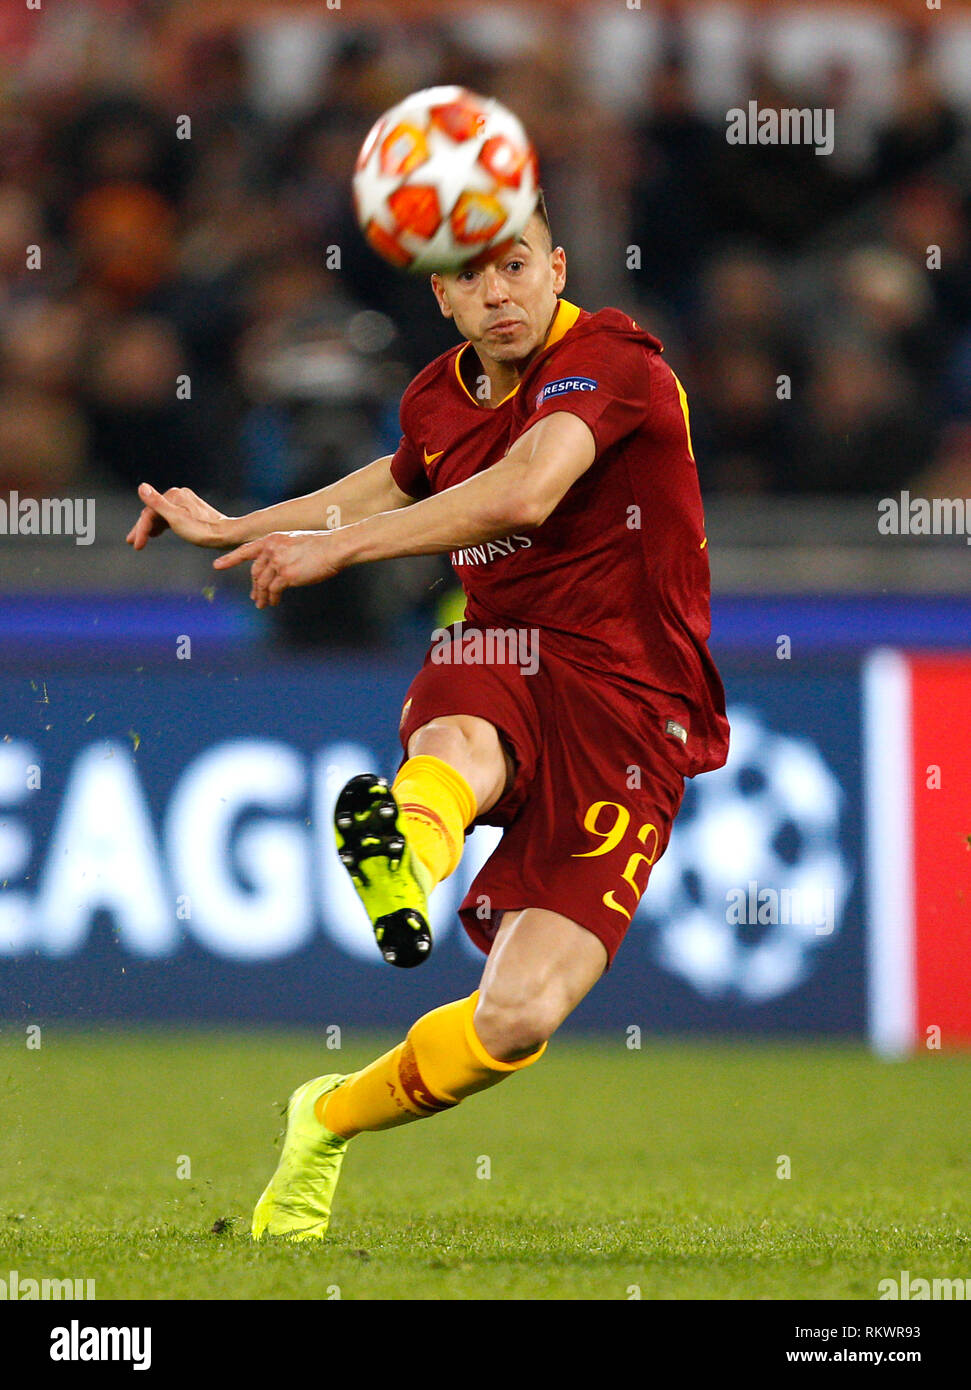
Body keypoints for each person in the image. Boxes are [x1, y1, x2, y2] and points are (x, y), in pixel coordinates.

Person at [127, 190, 730, 1240]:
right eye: (473, 277)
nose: (499, 293)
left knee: (514, 1020)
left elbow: (521, 492)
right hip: (503, 652)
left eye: (517, 266)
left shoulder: (612, 364)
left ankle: (323, 1116)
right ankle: (403, 849)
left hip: (634, 715)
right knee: (461, 737)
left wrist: (331, 552)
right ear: (441, 293)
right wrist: (234, 524)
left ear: (555, 267)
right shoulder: (435, 397)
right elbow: (390, 483)